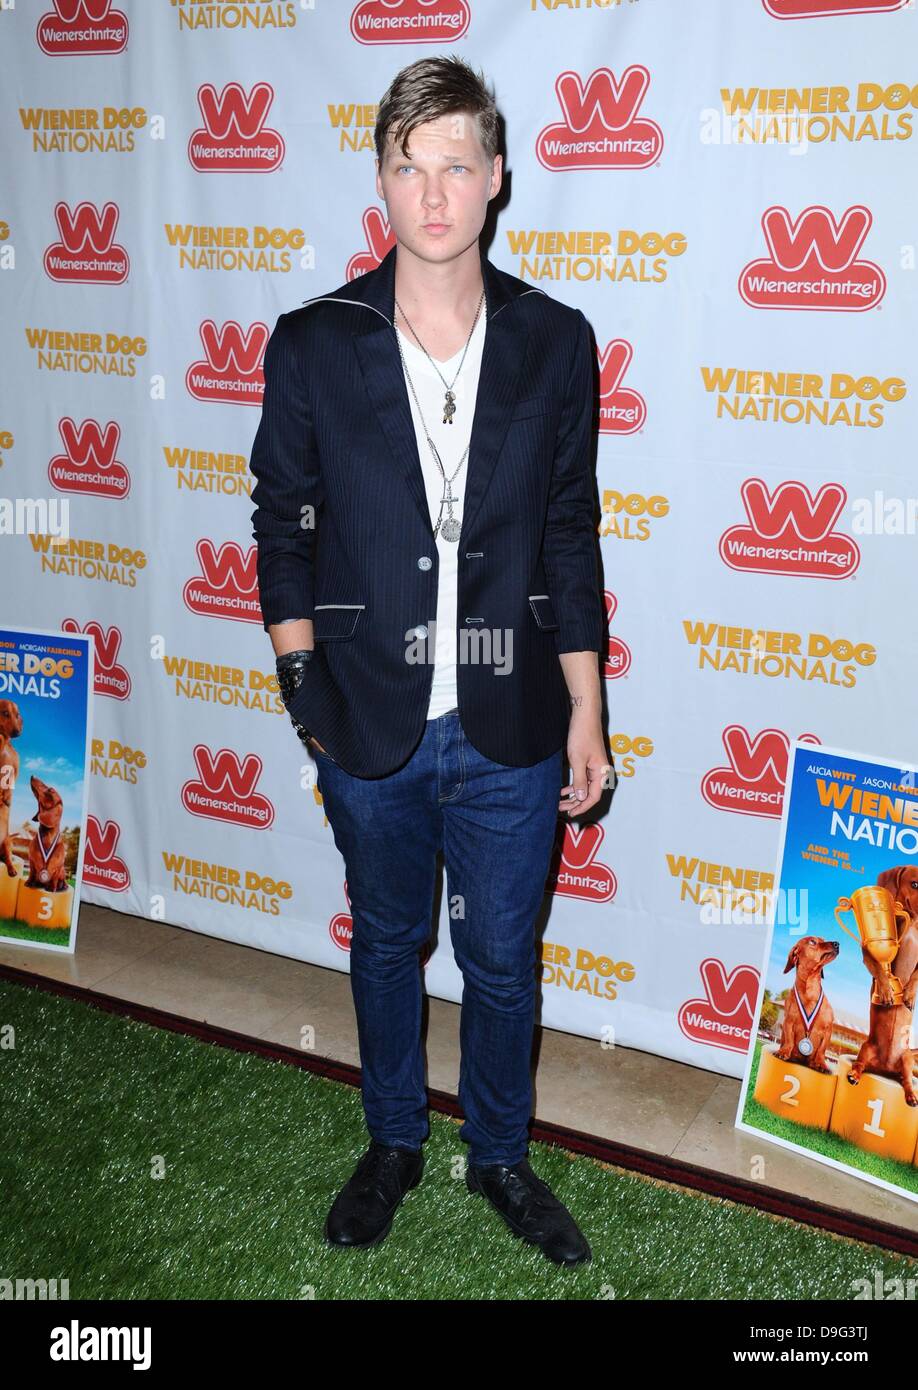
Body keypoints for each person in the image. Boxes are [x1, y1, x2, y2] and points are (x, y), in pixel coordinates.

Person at [249, 54, 611, 1268]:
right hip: (368, 722)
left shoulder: (557, 343)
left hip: (510, 724)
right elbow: (280, 523)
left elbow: (571, 533)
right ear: (382, 182)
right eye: (411, 164)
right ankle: (394, 1140)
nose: (436, 190)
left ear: (496, 177)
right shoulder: (313, 341)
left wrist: (587, 717)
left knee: (504, 963)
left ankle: (498, 1155)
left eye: (458, 162)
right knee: (388, 941)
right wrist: (305, 692)